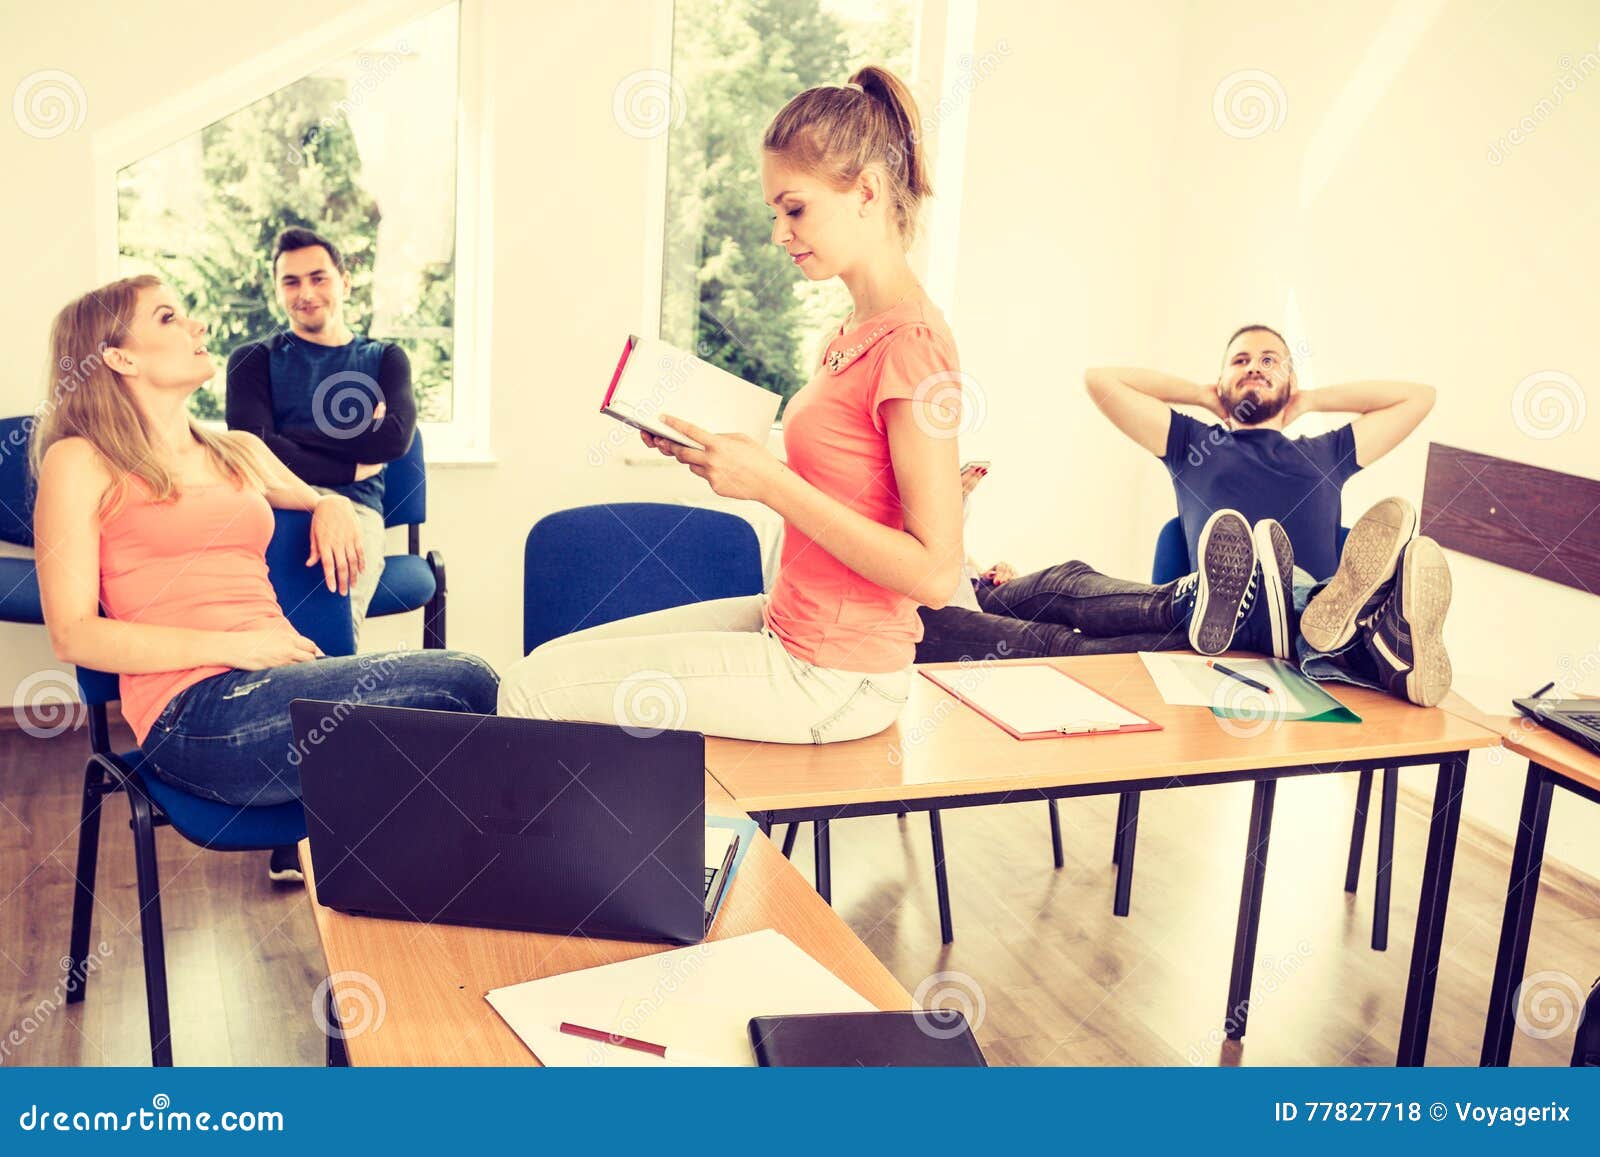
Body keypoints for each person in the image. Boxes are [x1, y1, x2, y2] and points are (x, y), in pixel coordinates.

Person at [498, 66, 964, 744]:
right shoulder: (851, 330)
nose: (780, 232)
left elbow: (937, 572)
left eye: (795, 208)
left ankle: (568, 854)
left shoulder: (912, 346)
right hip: (790, 620)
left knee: (530, 692)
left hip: (838, 674)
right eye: (774, 213)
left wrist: (769, 483)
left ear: (866, 189)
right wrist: (726, 452)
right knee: (546, 665)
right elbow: (849, 485)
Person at [31, 276, 498, 881]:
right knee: (462, 686)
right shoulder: (80, 460)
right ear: (120, 357)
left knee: (456, 744)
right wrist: (235, 648)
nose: (197, 326)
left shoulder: (236, 450)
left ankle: (416, 936)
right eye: (170, 318)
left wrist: (328, 506)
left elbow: (317, 496)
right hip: (193, 716)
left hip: (279, 686)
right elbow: (72, 634)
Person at [1085, 324, 1435, 580]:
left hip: (1308, 636)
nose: (1254, 367)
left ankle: (1384, 620)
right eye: (1240, 361)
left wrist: (1312, 399)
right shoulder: (1191, 445)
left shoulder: (1328, 453)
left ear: (1290, 382)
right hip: (1216, 635)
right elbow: (1100, 381)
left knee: (1334, 590)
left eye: (1270, 361)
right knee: (1070, 583)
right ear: (1221, 380)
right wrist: (1200, 394)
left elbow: (1418, 398)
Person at [225, 227, 417, 638]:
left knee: (332, 633)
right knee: (260, 629)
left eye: (318, 278)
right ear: (277, 290)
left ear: (344, 282)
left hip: (355, 509)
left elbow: (394, 439)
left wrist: (289, 436)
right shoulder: (252, 360)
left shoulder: (385, 358)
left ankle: (327, 702)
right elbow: (252, 449)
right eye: (290, 282)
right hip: (272, 503)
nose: (305, 292)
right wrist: (350, 464)